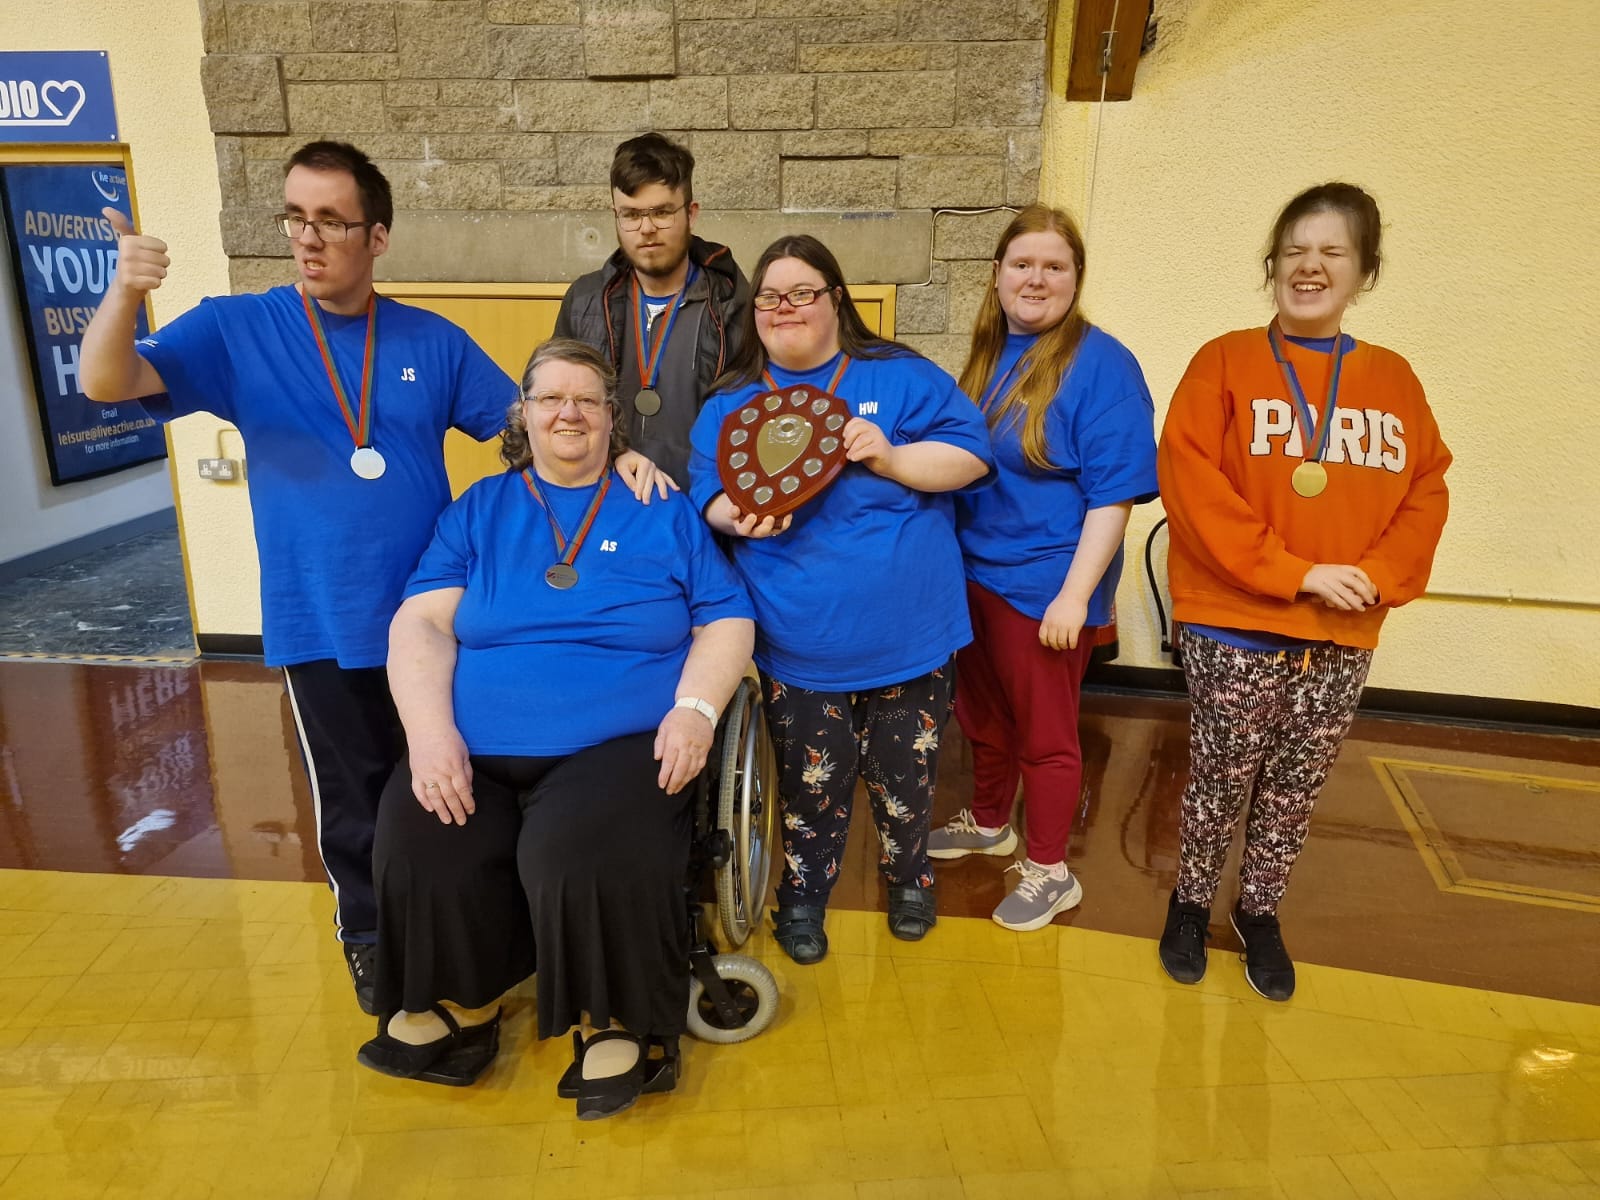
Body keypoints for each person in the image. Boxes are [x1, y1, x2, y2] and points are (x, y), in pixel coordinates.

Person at [77, 141, 662, 1014]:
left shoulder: (432, 339)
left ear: (377, 235)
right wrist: (124, 291)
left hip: (440, 624)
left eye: (333, 222)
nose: (309, 239)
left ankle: (478, 936)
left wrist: (619, 457)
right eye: (296, 218)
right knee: (357, 801)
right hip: (324, 621)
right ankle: (373, 941)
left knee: (451, 786)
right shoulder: (235, 329)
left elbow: (538, 426)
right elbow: (105, 380)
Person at [361, 338, 753, 1119]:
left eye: (586, 399)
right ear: (524, 415)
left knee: (574, 847)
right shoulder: (480, 508)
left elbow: (727, 617)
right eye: (550, 399)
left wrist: (697, 709)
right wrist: (430, 733)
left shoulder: (659, 508)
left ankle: (618, 1019)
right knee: (420, 825)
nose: (568, 413)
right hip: (478, 739)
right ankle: (463, 1000)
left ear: (613, 419)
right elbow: (422, 624)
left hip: (613, 746)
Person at [1155, 182, 1450, 1001]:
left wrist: (1380, 580)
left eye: (1332, 252)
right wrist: (1296, 572)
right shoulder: (1224, 361)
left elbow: (1428, 489)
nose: (1309, 266)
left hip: (1342, 632)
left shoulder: (1393, 379)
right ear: (1272, 265)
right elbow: (1191, 483)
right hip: (1238, 621)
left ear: (1364, 272)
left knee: (1296, 783)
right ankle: (1189, 903)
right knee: (1221, 775)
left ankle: (1260, 912)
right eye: (1294, 251)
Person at [687, 235, 993, 965]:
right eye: (768, 296)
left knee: (906, 778)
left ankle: (908, 875)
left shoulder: (903, 376)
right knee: (808, 787)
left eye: (802, 292)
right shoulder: (730, 404)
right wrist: (737, 514)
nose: (783, 307)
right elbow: (707, 496)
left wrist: (887, 455)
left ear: (835, 300)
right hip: (800, 642)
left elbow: (972, 455)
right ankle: (803, 894)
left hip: (910, 637)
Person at [930, 204, 1159, 931]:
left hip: (1042, 590)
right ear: (997, 275)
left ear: (1076, 279)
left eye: (1054, 266)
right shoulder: (987, 355)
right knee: (985, 719)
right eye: (1022, 263)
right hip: (976, 578)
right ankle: (992, 822)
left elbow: (1115, 494)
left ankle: (1051, 870)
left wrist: (1075, 597)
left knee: (1047, 737)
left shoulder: (1104, 364)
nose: (1036, 278)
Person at [554, 132, 750, 488]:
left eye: (661, 212)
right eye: (630, 214)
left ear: (691, 214)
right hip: (606, 505)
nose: (646, 229)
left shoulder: (733, 304)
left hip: (702, 514)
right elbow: (555, 411)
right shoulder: (585, 301)